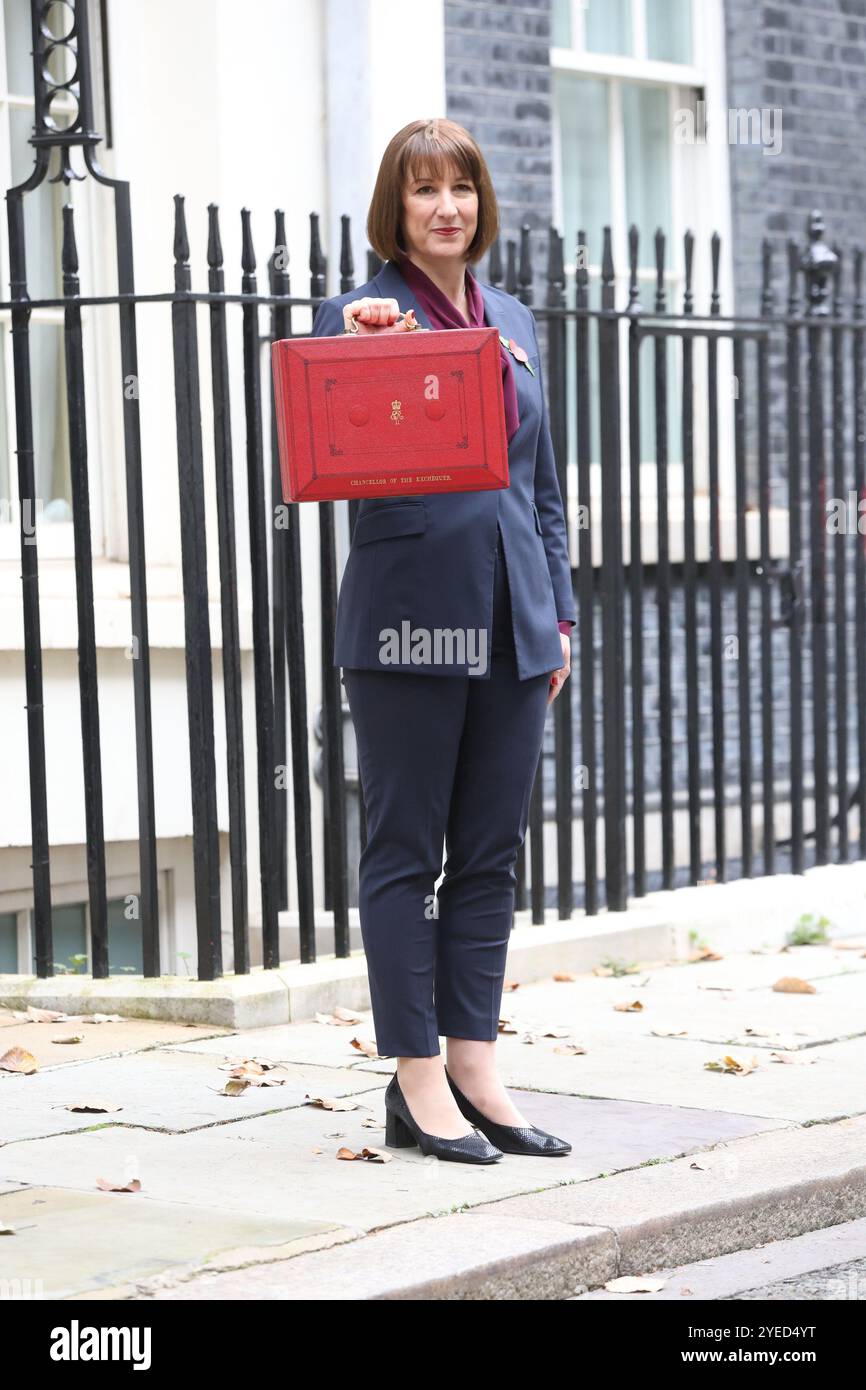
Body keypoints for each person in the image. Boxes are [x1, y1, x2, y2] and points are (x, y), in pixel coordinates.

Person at [311, 118, 575, 1163]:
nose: (445, 207)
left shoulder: (510, 317)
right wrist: (363, 346)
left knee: (491, 852)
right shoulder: (358, 314)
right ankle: (413, 1076)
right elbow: (333, 428)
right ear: (397, 207)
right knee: (403, 849)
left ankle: (474, 1061)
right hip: (409, 619)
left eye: (459, 187)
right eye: (423, 191)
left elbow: (542, 488)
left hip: (514, 624)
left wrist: (556, 615)